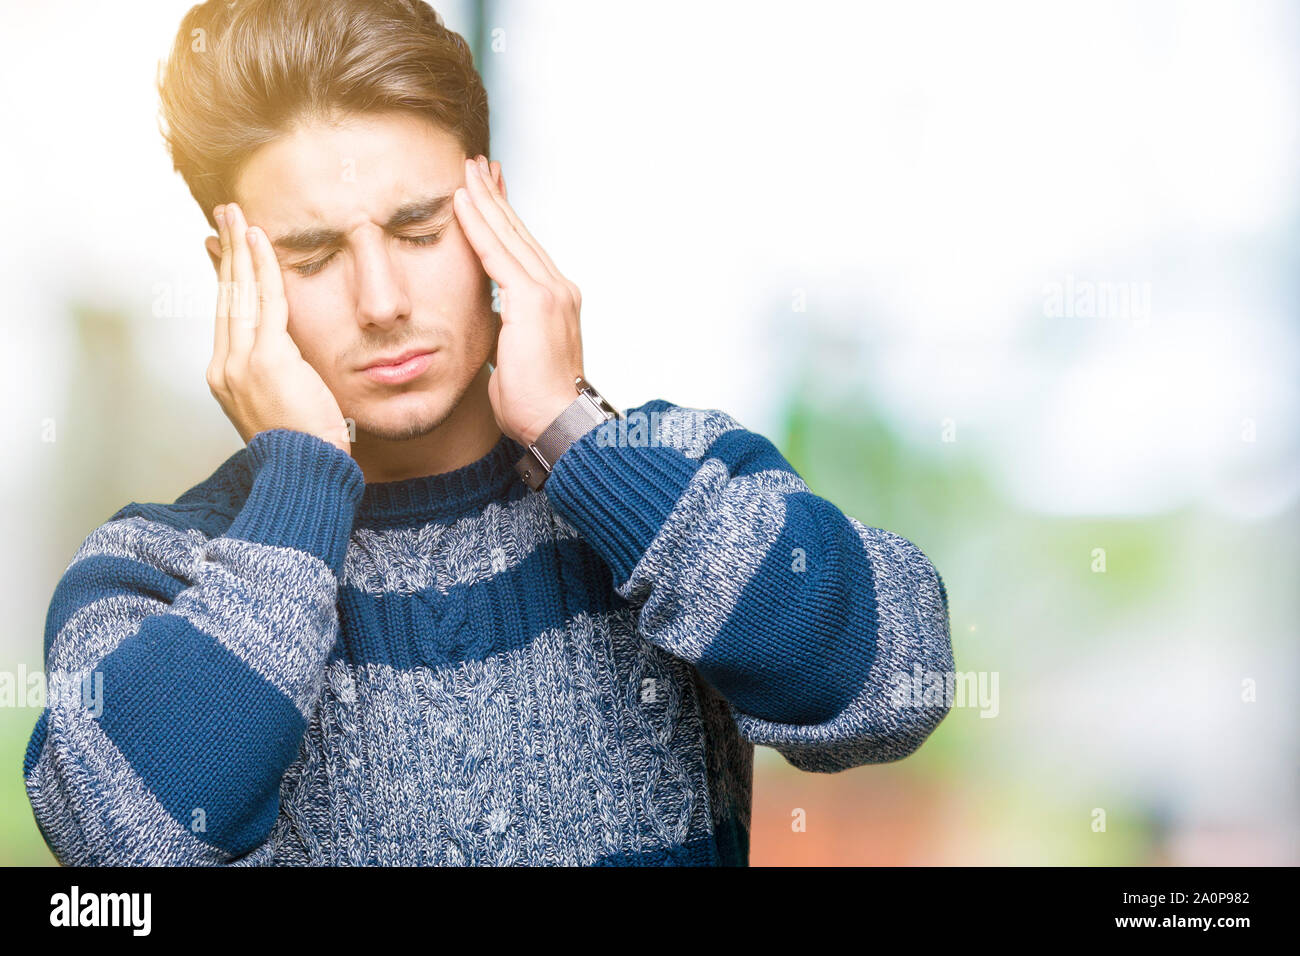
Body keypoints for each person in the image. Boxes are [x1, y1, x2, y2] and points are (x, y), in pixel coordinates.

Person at [22, 0, 954, 866]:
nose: (381, 303)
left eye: (420, 229)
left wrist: (578, 441)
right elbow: (120, 849)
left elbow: (897, 688)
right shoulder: (155, 571)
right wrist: (300, 486)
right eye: (311, 256)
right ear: (233, 275)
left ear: (491, 207)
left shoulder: (673, 478)